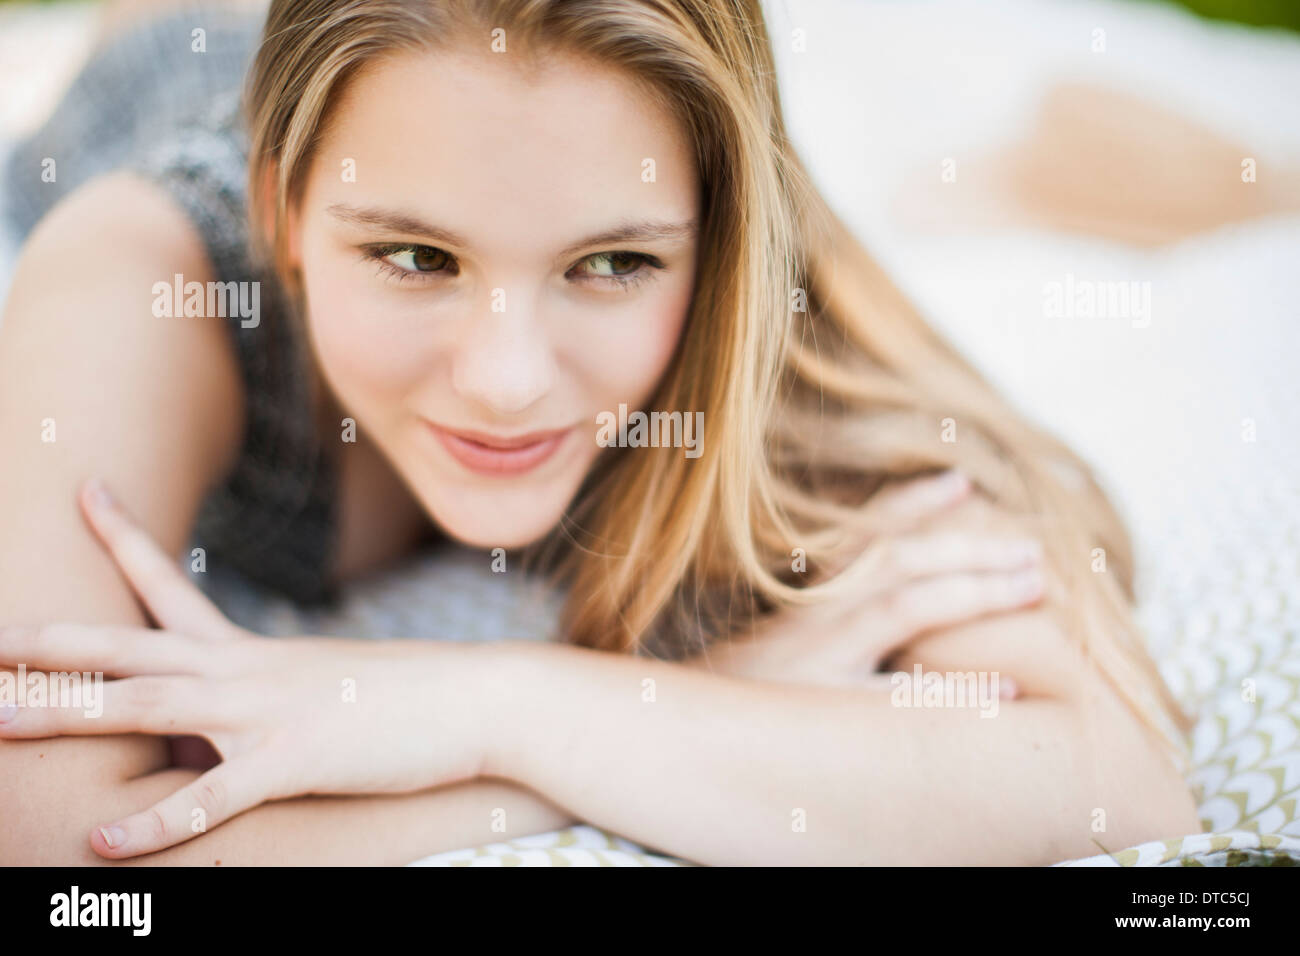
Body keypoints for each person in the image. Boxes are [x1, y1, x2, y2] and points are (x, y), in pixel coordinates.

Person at [0, 0, 1200, 865]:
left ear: (715, 239)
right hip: (164, 50)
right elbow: (58, 857)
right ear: (286, 214)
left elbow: (1114, 770)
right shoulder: (154, 275)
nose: (509, 381)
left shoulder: (739, 326)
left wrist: (511, 707)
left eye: (611, 261)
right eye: (414, 256)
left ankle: (1024, 171)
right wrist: (552, 774)